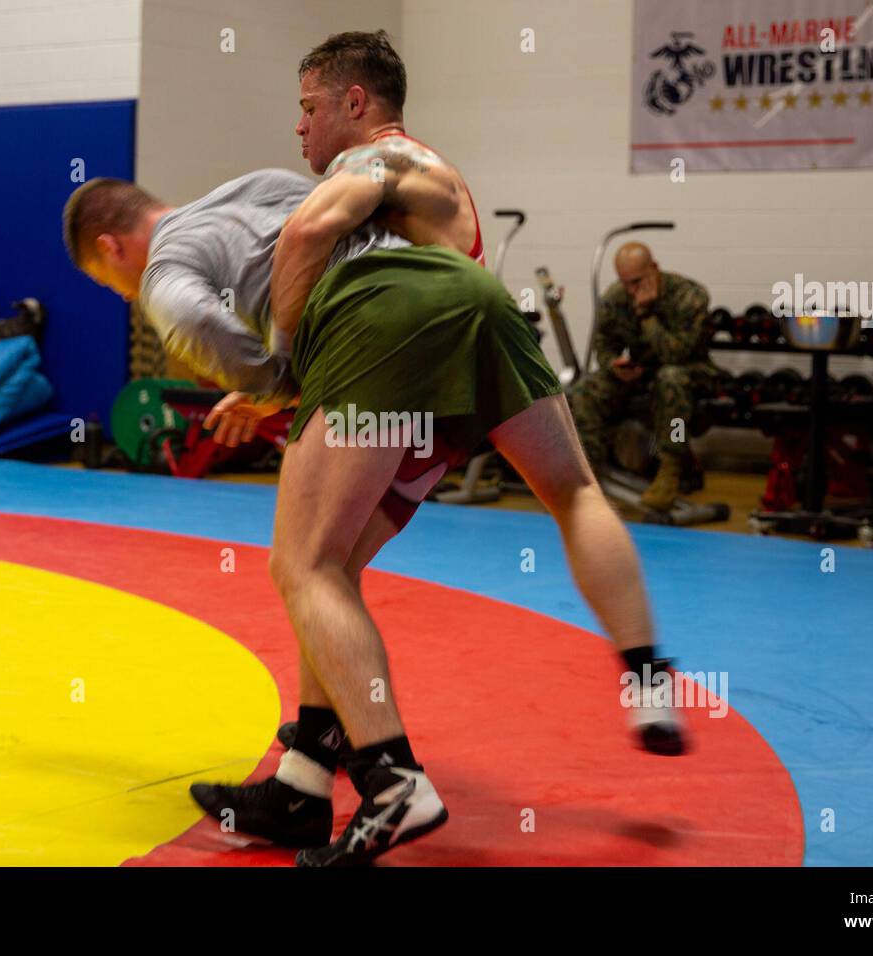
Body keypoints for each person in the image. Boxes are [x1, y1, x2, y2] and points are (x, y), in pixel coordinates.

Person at [185, 31, 686, 867]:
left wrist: (279, 366)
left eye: (309, 109)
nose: (298, 130)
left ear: (357, 103)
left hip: (411, 343)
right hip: (466, 344)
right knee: (569, 492)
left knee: (305, 566)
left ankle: (391, 778)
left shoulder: (381, 160)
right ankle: (641, 677)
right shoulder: (425, 188)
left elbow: (308, 233)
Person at [569, 242, 721, 512]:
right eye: (625, 283)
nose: (631, 290)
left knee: (671, 378)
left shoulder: (690, 296)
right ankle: (586, 479)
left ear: (654, 269)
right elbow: (603, 345)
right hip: (640, 372)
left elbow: (676, 354)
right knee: (585, 390)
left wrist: (647, 314)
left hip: (691, 374)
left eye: (637, 281)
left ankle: (671, 469)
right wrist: (614, 365)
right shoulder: (617, 297)